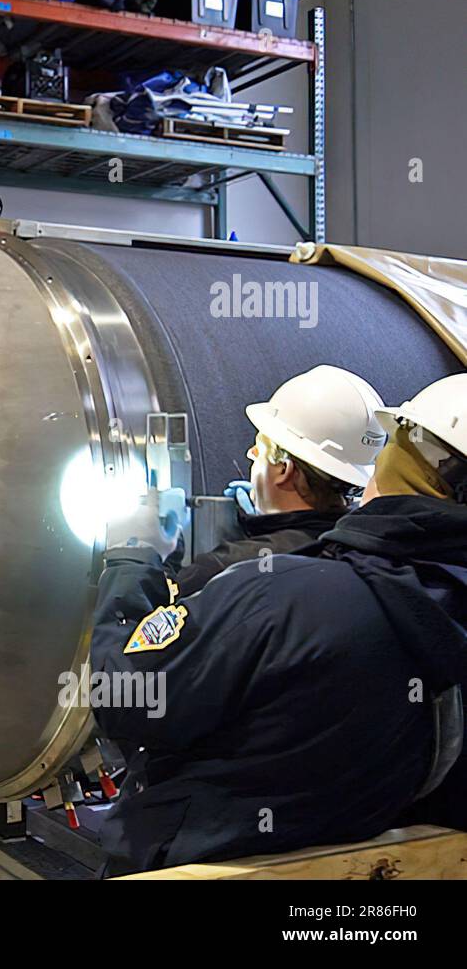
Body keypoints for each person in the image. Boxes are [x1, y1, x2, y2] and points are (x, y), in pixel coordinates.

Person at [88, 372, 467, 875]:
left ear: (401, 453)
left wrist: (131, 561)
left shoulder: (278, 596)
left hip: (196, 860)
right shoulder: (421, 593)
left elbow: (125, 696)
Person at [174, 366, 386, 596]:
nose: (251, 453)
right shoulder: (372, 552)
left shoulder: (223, 569)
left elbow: (150, 624)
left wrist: (140, 566)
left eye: (260, 449)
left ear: (284, 469)